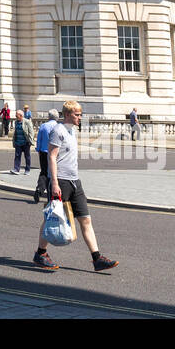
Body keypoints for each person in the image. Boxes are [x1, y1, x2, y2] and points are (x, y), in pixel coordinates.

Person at [34, 100, 117, 272]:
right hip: (61, 181)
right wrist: (54, 182)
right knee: (51, 216)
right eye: (77, 115)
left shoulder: (72, 131)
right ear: (67, 114)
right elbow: (51, 156)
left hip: (74, 181)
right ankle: (41, 253)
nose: (80, 117)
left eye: (80, 114)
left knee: (85, 219)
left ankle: (97, 258)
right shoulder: (58, 130)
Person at [33, 109, 59, 202]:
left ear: (48, 116)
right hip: (55, 152)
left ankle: (39, 189)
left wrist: (38, 149)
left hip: (43, 152)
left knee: (44, 171)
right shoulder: (58, 127)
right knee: (53, 173)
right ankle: (50, 193)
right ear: (57, 117)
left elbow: (39, 139)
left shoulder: (43, 126)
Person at [9, 107, 33, 174]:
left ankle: (27, 170)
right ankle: (16, 169)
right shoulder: (16, 122)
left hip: (25, 142)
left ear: (21, 115)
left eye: (17, 115)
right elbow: (15, 132)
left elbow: (31, 132)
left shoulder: (27, 122)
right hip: (18, 142)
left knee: (27, 156)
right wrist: (14, 141)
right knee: (17, 156)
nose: (16, 117)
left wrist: (30, 141)